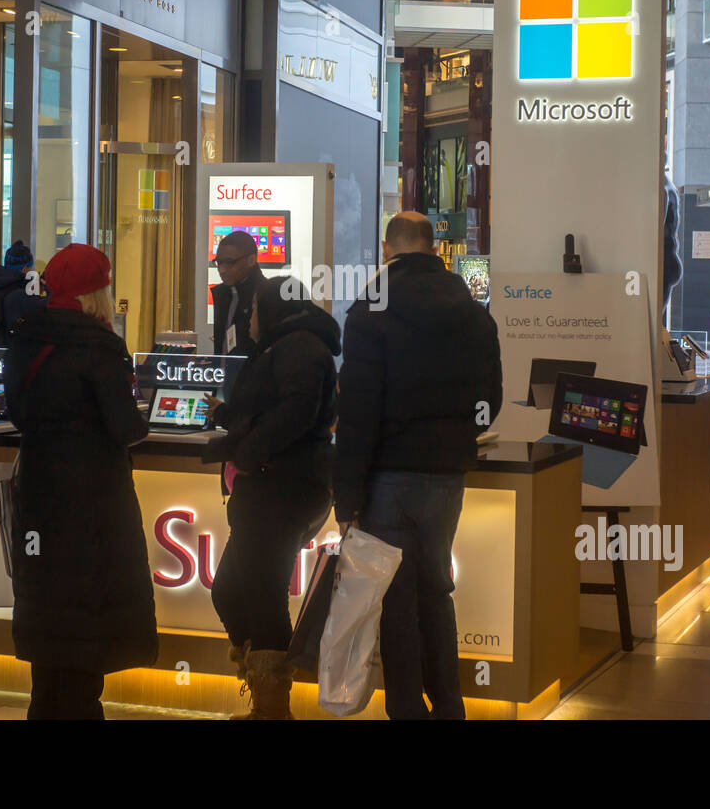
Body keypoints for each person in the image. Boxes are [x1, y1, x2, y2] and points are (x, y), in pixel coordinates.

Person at [334, 211, 503, 720]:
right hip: (447, 475)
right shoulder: (473, 313)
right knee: (436, 590)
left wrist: (347, 497)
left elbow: (357, 413)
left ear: (387, 250)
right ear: (434, 250)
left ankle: (406, 709)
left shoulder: (370, 311)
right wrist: (454, 434)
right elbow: (488, 402)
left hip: (388, 475)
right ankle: (450, 705)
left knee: (394, 600)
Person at [3, 243, 157, 719]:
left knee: (48, 607)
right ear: (96, 292)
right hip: (94, 500)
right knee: (89, 611)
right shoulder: (100, 345)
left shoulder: (25, 335)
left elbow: (17, 411)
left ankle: (46, 708)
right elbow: (125, 428)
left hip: (39, 489)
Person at [201, 276, 340, 720]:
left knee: (262, 598)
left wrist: (247, 450)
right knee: (230, 591)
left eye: (254, 310)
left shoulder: (298, 347)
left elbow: (297, 413)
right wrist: (230, 419)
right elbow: (273, 410)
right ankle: (266, 692)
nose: (249, 319)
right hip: (270, 489)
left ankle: (272, 707)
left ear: (273, 310)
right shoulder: (287, 346)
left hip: (281, 490)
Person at [210, 231, 265, 356]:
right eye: (219, 262)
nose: (222, 269)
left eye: (229, 262)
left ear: (251, 260)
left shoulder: (266, 296)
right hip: (224, 374)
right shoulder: (223, 294)